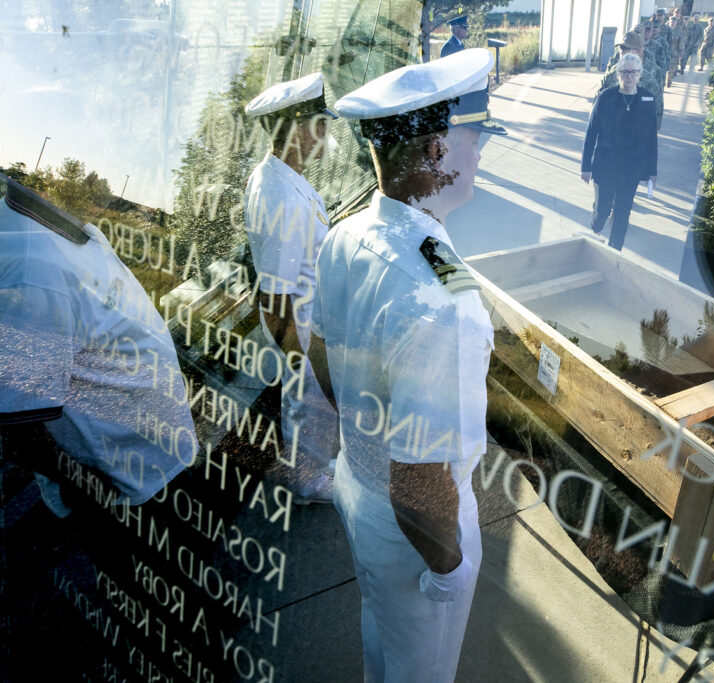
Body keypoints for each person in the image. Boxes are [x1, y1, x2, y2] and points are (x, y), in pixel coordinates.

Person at [310, 48, 505, 682]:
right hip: (411, 532)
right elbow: (420, 482)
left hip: (357, 484)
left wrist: (366, 434)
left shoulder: (346, 233)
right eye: (474, 138)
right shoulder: (444, 304)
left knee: (379, 631)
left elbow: (320, 351)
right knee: (420, 668)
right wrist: (449, 570)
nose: (481, 153)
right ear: (434, 152)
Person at [0, 176, 195, 516]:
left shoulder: (73, 225)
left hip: (153, 455)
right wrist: (91, 488)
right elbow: (19, 429)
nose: (107, 185)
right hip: (124, 488)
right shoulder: (33, 268)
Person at [243, 72, 340, 502]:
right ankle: (307, 482)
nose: (326, 132)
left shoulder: (283, 175)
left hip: (307, 318)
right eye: (320, 123)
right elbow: (275, 293)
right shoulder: (278, 193)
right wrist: (297, 357)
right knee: (306, 401)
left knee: (311, 404)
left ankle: (315, 468)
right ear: (296, 129)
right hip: (297, 324)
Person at [582, 53, 658, 252]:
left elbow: (652, 139)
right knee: (602, 211)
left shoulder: (647, 99)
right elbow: (591, 133)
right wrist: (585, 166)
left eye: (634, 72)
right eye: (625, 72)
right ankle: (597, 221)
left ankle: (615, 252)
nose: (629, 76)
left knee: (623, 213)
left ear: (640, 74)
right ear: (618, 74)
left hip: (631, 169)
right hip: (604, 165)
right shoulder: (605, 97)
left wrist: (652, 171)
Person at [600, 31, 664, 129]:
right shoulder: (613, 72)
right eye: (621, 48)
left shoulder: (651, 74)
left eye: (625, 48)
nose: (621, 51)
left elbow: (657, 105)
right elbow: (599, 101)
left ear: (637, 51)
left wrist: (653, 130)